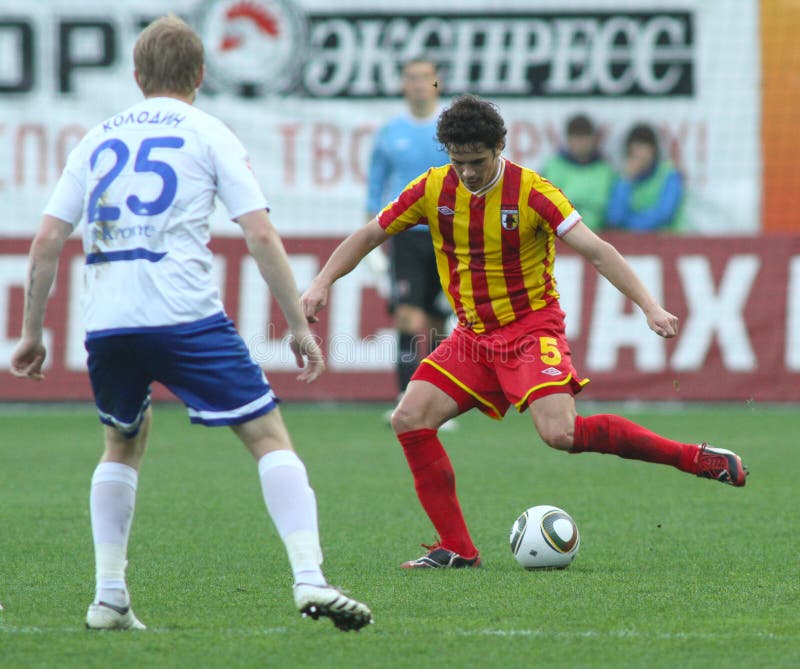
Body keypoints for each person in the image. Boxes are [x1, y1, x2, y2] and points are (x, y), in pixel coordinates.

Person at [10, 15, 372, 630]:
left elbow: (47, 240)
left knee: (121, 442)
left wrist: (32, 332)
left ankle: (108, 596)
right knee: (267, 437)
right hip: (183, 315)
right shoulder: (210, 131)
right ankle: (309, 578)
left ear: (136, 76)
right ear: (201, 75)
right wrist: (299, 325)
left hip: (107, 323)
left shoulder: (95, 138)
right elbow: (258, 231)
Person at [301, 95, 747, 570]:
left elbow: (597, 251)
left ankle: (692, 457)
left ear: (499, 147)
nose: (467, 172)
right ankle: (457, 549)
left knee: (561, 434)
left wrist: (650, 306)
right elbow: (370, 234)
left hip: (531, 331)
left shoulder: (533, 192)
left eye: (477, 161)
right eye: (458, 161)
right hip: (472, 338)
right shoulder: (433, 188)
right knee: (409, 418)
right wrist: (322, 281)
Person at [366, 58, 454, 426]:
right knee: (406, 315)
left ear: (436, 82)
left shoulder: (451, 127)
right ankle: (404, 397)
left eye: (424, 77)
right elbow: (375, 189)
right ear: (403, 84)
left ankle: (436, 404)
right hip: (405, 236)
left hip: (447, 234)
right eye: (411, 78)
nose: (418, 84)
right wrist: (371, 243)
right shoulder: (390, 133)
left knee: (438, 320)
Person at [540, 114, 615, 232]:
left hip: (597, 234)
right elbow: (546, 204)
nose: (580, 143)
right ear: (568, 140)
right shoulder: (554, 166)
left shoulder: (605, 170)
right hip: (559, 234)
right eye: (576, 138)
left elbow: (608, 209)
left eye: (584, 138)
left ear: (593, 139)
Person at [606, 123, 685, 232]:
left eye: (643, 150)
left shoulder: (669, 175)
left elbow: (665, 214)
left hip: (665, 240)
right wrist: (626, 180)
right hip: (630, 242)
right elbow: (614, 218)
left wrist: (631, 225)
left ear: (653, 150)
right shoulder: (622, 180)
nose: (639, 156)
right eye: (634, 152)